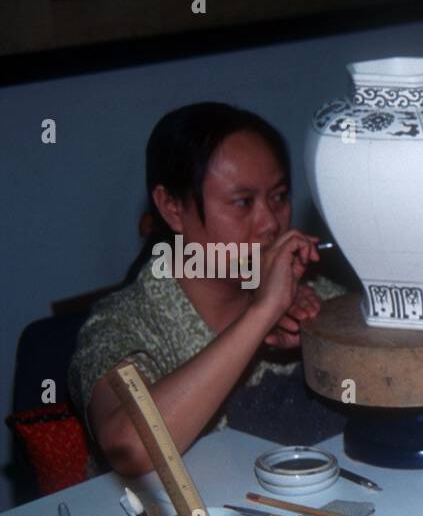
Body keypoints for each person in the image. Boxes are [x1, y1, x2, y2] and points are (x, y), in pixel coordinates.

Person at [69, 103, 348, 477]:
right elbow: (130, 447)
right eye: (242, 203)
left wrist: (324, 344)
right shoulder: (122, 324)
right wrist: (260, 316)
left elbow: (410, 389)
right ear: (171, 207)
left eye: (279, 197)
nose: (270, 223)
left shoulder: (313, 296)